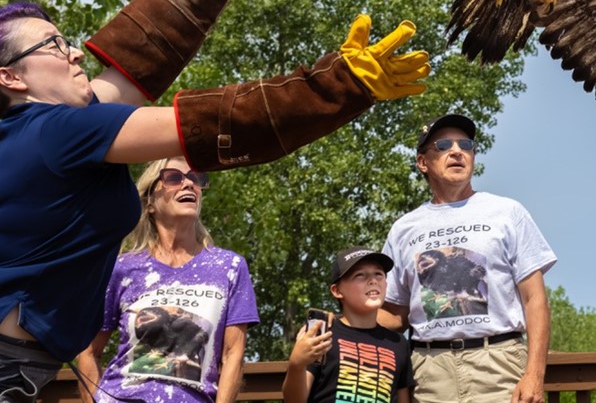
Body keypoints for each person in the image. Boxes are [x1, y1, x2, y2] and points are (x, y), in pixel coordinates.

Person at [0, 0, 430, 402]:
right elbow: (212, 125)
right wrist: (340, 86)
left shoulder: (36, 133)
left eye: (67, 41)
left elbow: (137, 62)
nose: (73, 52)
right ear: (11, 77)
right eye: (52, 45)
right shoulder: (58, 131)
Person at [379, 114, 556, 403]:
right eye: (444, 145)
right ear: (423, 162)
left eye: (465, 145)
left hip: (498, 365)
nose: (457, 151)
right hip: (430, 370)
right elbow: (396, 313)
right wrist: (339, 323)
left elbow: (534, 299)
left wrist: (535, 374)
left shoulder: (507, 212)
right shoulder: (403, 229)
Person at [74, 156, 258, 403]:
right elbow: (88, 351)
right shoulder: (122, 268)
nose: (188, 184)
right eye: (173, 178)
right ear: (150, 202)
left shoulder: (229, 267)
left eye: (195, 178)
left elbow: (232, 354)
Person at [283, 247, 412, 403]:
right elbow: (293, 400)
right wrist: (296, 364)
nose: (373, 280)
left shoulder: (398, 343)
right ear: (337, 290)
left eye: (378, 274)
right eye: (360, 275)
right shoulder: (322, 334)